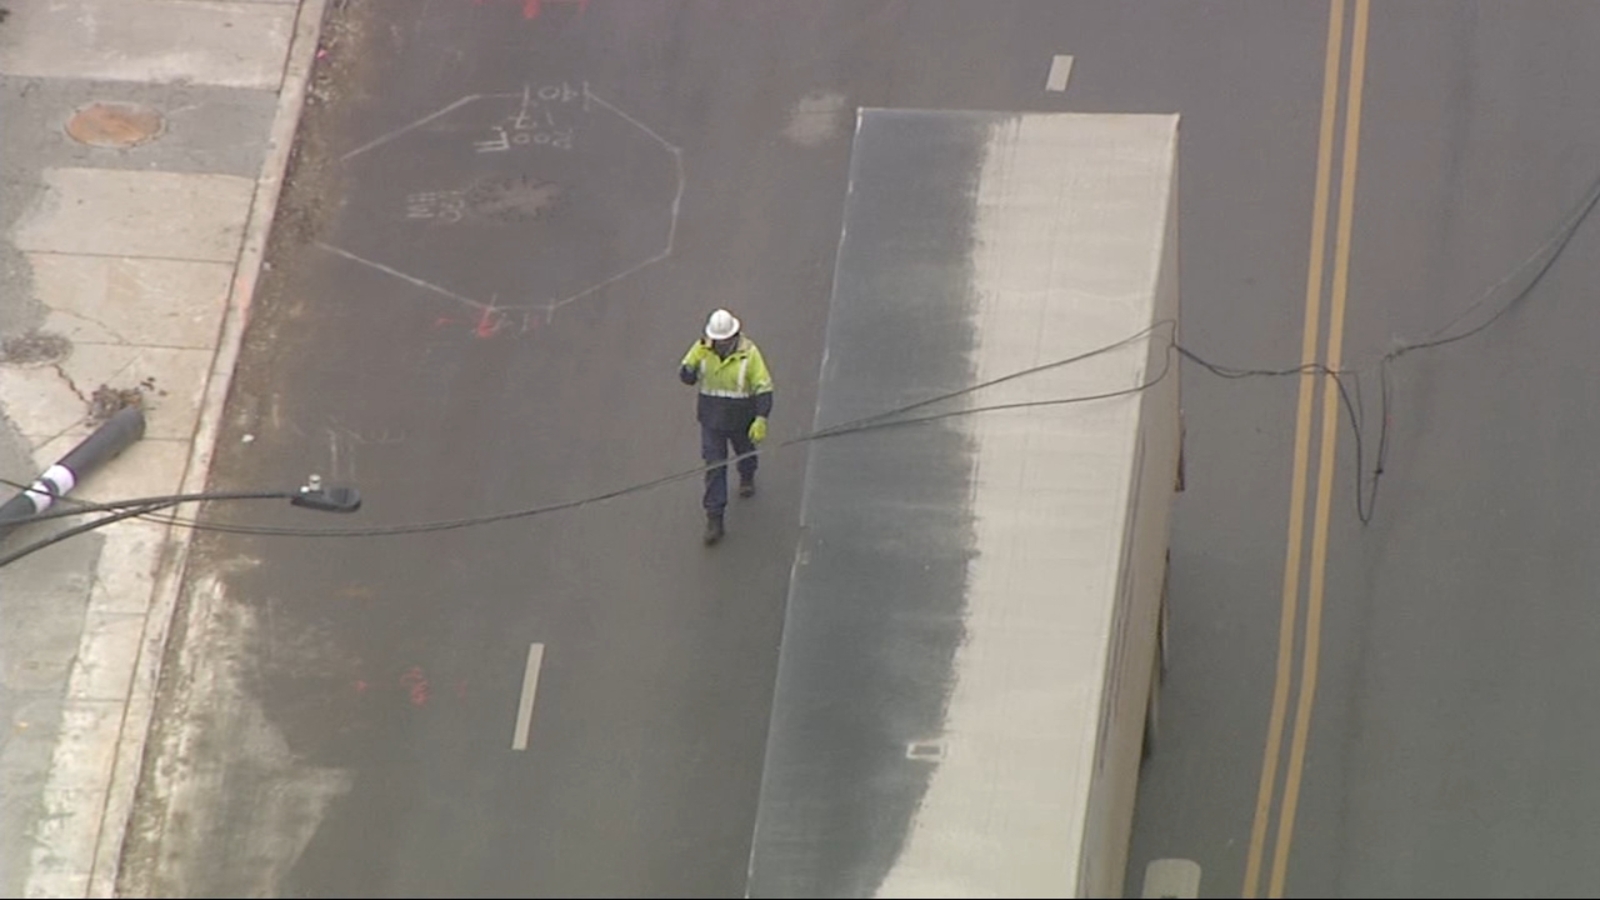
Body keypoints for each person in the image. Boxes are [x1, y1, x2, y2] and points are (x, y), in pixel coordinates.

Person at [679, 308, 774, 545]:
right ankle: (714, 518)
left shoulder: (749, 354)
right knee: (714, 467)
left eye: (723, 340)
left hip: (741, 418)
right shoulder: (702, 349)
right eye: (716, 340)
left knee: (745, 452)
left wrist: (761, 417)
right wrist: (692, 362)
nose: (718, 345)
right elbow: (687, 378)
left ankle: (747, 475)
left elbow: (763, 387)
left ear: (734, 336)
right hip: (711, 420)